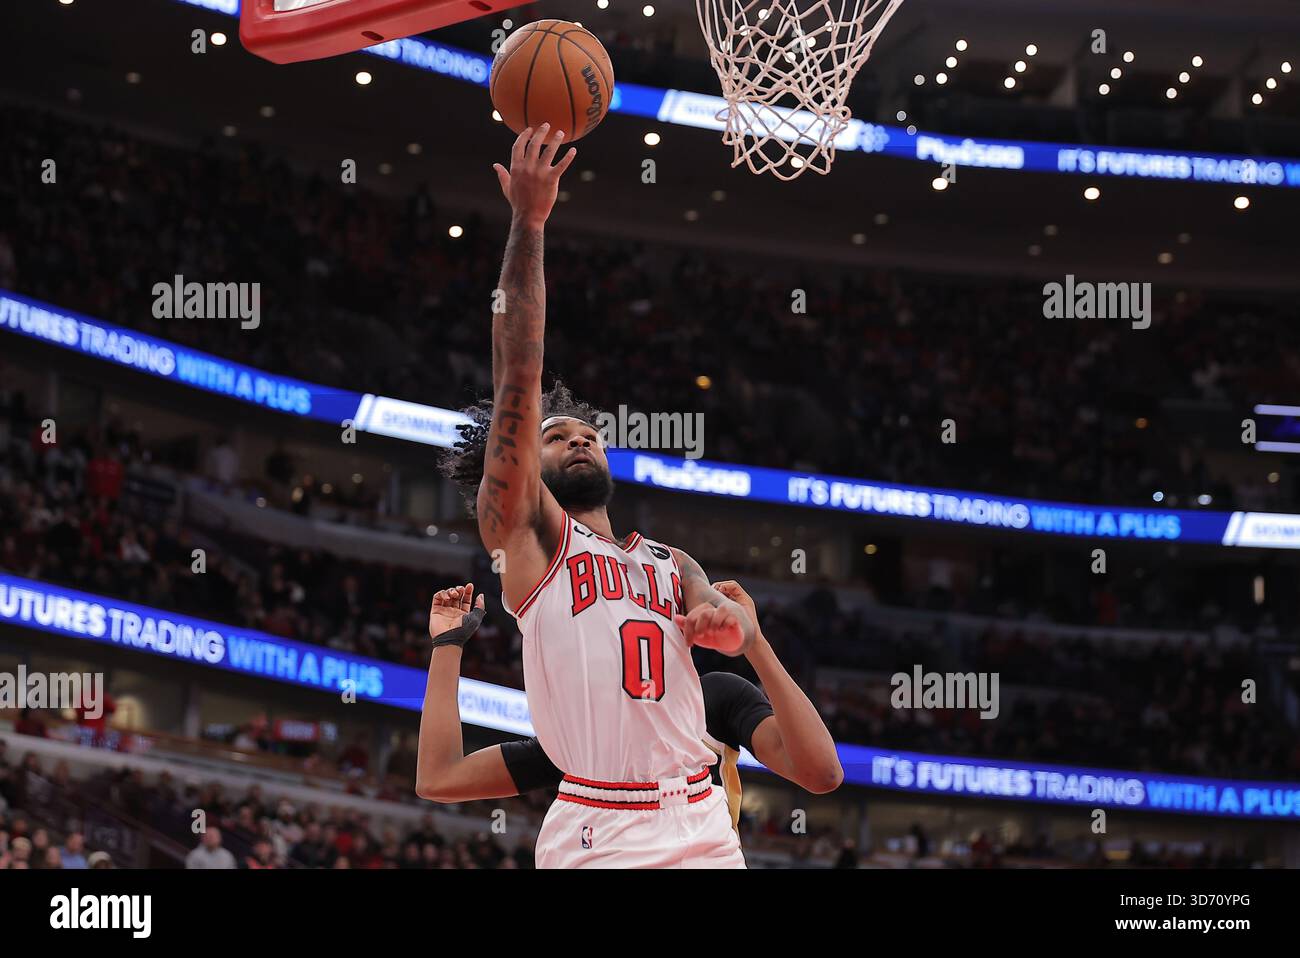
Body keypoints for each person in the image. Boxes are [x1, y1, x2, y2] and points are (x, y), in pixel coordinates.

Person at [438, 126, 763, 869]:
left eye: (588, 433)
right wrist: (529, 221)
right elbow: (519, 367)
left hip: (703, 817)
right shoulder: (528, 539)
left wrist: (726, 624)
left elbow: (722, 620)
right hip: (600, 825)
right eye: (556, 437)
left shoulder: (669, 560)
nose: (578, 440)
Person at [415, 580, 841, 849]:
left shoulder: (719, 696)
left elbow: (821, 773)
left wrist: (755, 643)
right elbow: (439, 778)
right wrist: (448, 644)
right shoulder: (587, 736)